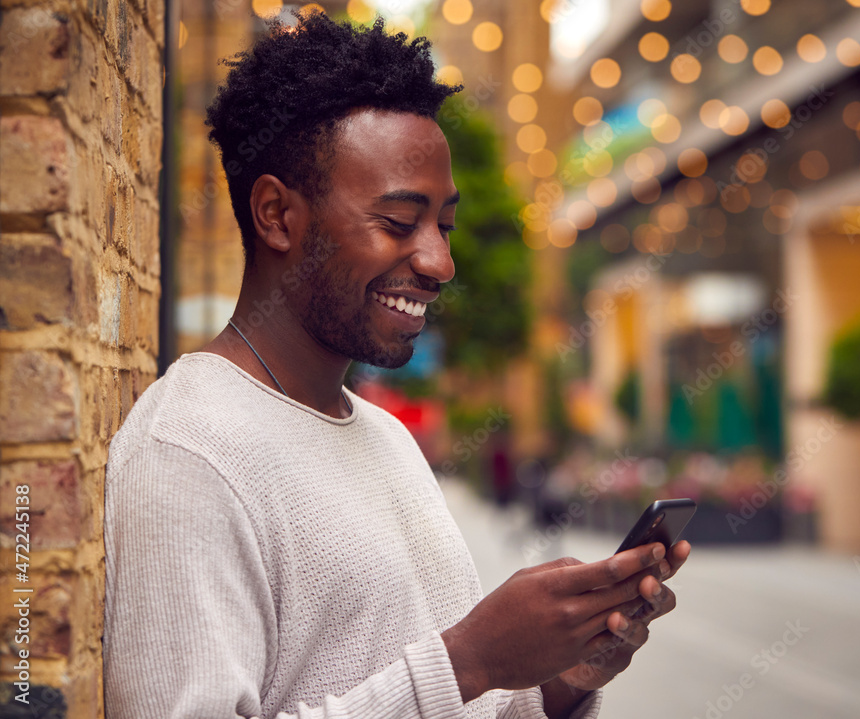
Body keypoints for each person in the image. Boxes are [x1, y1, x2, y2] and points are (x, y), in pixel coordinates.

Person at [102, 15, 690, 719]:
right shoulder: (188, 453)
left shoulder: (386, 437)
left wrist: (559, 681)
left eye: (444, 224)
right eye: (399, 222)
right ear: (277, 215)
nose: (440, 262)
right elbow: (446, 679)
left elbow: (449, 704)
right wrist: (468, 659)